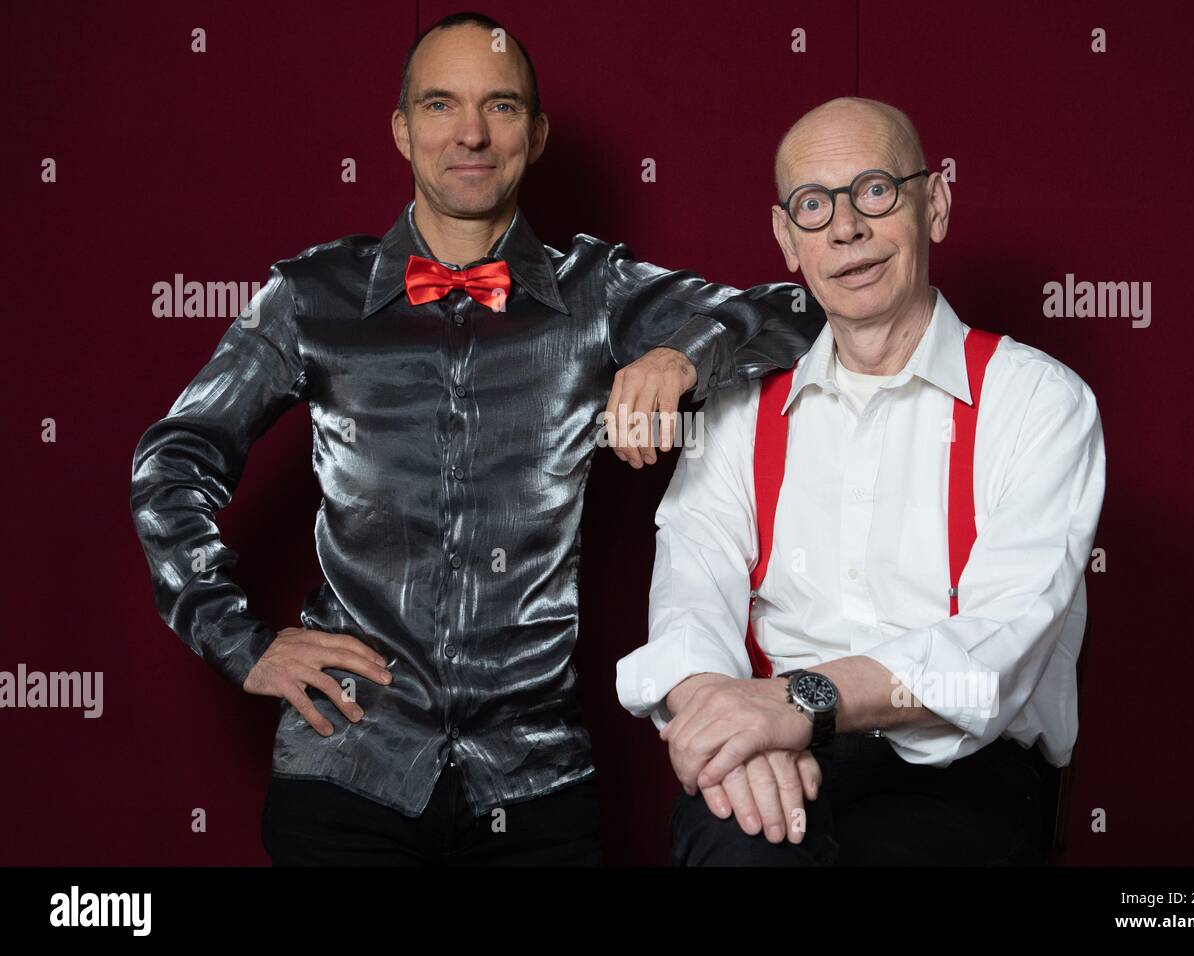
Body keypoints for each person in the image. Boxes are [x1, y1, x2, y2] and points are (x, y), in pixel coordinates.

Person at [129, 12, 822, 866]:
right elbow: (172, 462)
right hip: (347, 773)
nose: (469, 132)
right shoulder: (312, 295)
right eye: (440, 105)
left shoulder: (597, 292)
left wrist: (681, 354)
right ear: (402, 130)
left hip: (536, 783)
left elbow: (803, 309)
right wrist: (242, 642)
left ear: (535, 135)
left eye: (499, 107)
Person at [616, 97, 1106, 865]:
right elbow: (688, 604)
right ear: (787, 240)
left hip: (958, 777)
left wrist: (794, 704)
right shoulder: (739, 418)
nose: (845, 228)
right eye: (813, 206)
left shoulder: (1038, 402)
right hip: (769, 756)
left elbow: (989, 660)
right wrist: (733, 725)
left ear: (934, 203)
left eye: (875, 191)